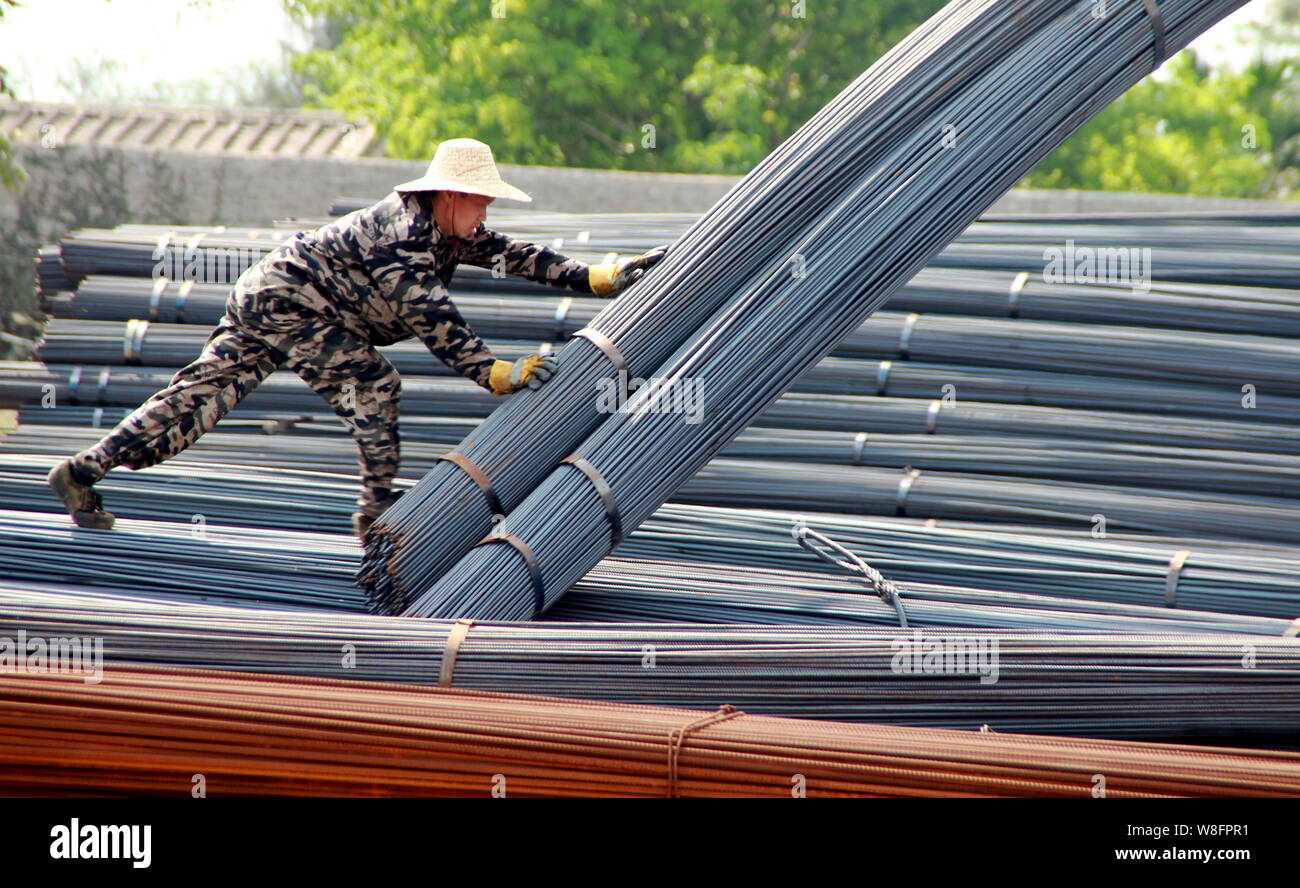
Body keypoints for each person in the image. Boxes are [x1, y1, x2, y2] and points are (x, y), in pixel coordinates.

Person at [47, 137, 667, 538]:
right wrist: (496, 373)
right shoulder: (402, 236)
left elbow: (513, 256)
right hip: (287, 301)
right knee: (373, 382)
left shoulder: (449, 228)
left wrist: (597, 277)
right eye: (480, 202)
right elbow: (431, 315)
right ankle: (375, 517)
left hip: (277, 300)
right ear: (450, 194)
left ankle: (82, 470)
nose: (485, 215)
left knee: (201, 400)